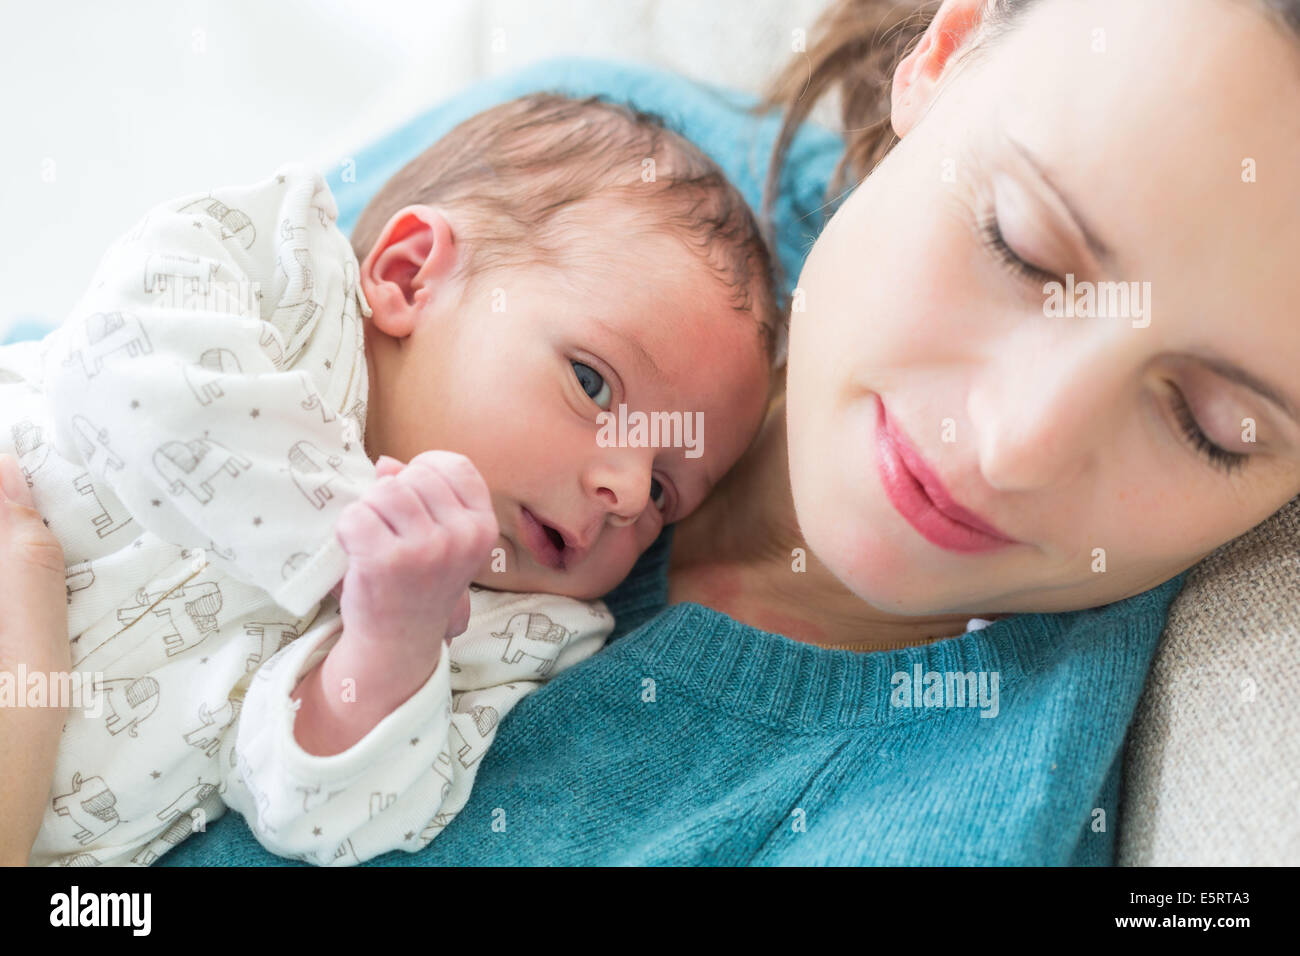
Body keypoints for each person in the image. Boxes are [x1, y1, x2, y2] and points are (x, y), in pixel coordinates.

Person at [13, 0, 1300, 865]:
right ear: (947, 51)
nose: (1011, 444)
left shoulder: (939, 817)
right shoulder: (592, 183)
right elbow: (85, 394)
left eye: (1212, 425)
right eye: (1018, 247)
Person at [0, 93, 777, 866]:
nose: (630, 493)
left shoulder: (521, 634)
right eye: (594, 384)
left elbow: (326, 819)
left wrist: (391, 638)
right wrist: (342, 538)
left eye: (667, 492)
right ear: (410, 277)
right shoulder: (284, 272)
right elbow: (118, 370)